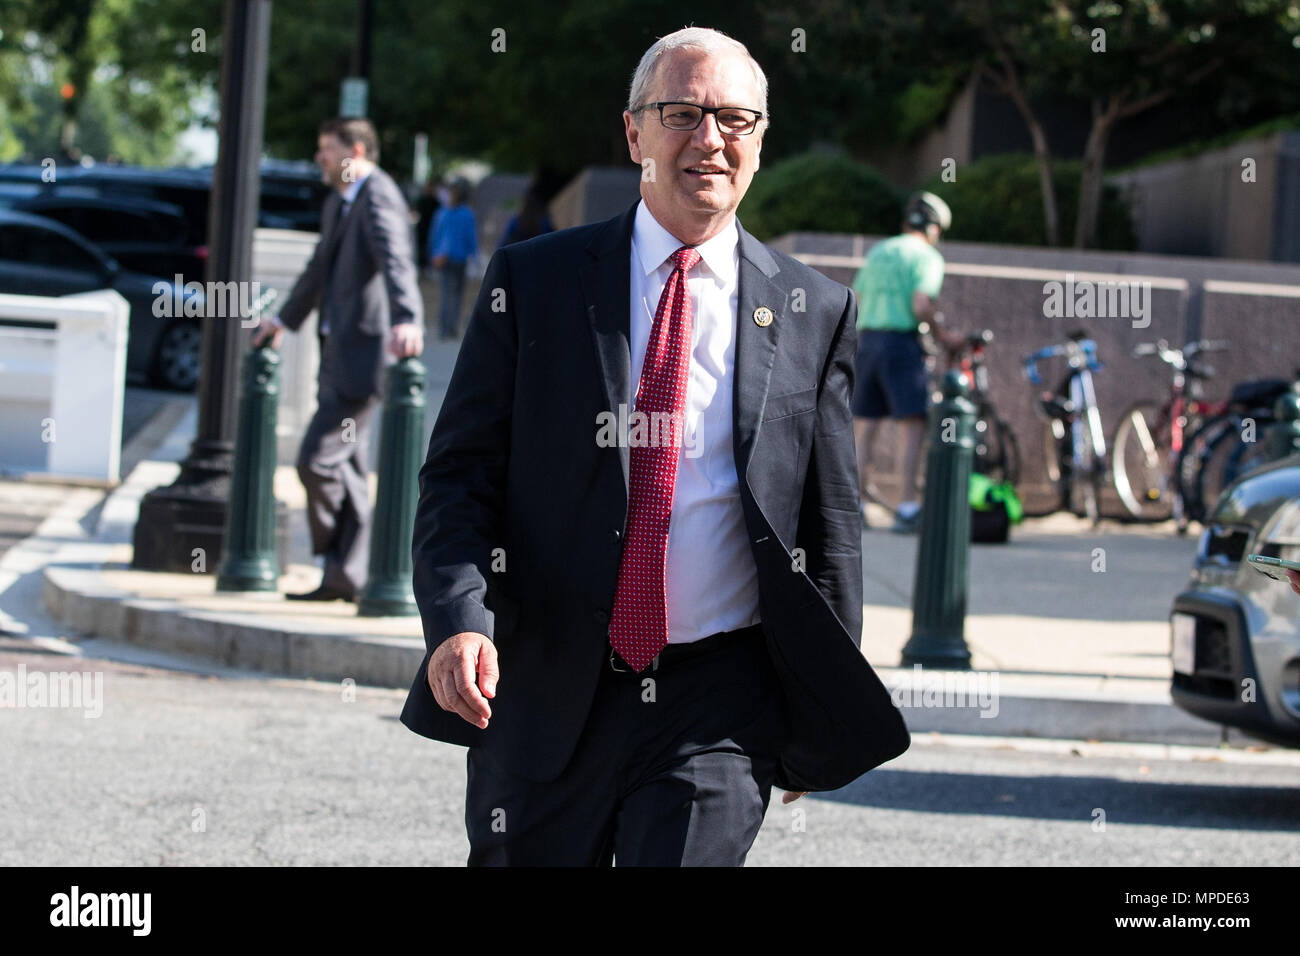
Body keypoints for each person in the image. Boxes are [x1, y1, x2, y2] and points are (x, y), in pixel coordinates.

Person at [398, 26, 908, 867]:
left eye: (736, 119)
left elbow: (830, 520)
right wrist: (458, 621)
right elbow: (460, 475)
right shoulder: (536, 283)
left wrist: (822, 698)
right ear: (634, 132)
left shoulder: (816, 311)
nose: (710, 139)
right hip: (547, 685)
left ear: (760, 140)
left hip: (718, 704)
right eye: (683, 113)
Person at [253, 116, 424, 602]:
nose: (319, 160)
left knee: (315, 461)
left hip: (362, 360)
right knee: (344, 467)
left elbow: (396, 259)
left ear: (356, 152)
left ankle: (344, 556)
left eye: (327, 150)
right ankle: (343, 575)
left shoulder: (378, 195)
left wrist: (407, 317)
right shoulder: (338, 203)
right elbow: (315, 272)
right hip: (337, 355)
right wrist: (282, 321)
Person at [850, 190, 958, 534]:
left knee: (863, 428)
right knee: (910, 428)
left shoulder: (880, 251)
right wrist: (943, 335)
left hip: (866, 341)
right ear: (934, 229)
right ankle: (908, 506)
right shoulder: (927, 255)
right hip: (901, 344)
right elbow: (922, 304)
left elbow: (857, 297)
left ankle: (855, 505)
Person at [427, 178, 478, 339]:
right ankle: (451, 327)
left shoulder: (442, 213)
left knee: (446, 293)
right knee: (455, 294)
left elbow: (435, 236)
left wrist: (433, 254)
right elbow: (471, 238)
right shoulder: (467, 214)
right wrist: (474, 256)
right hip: (459, 257)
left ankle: (445, 328)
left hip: (445, 257)